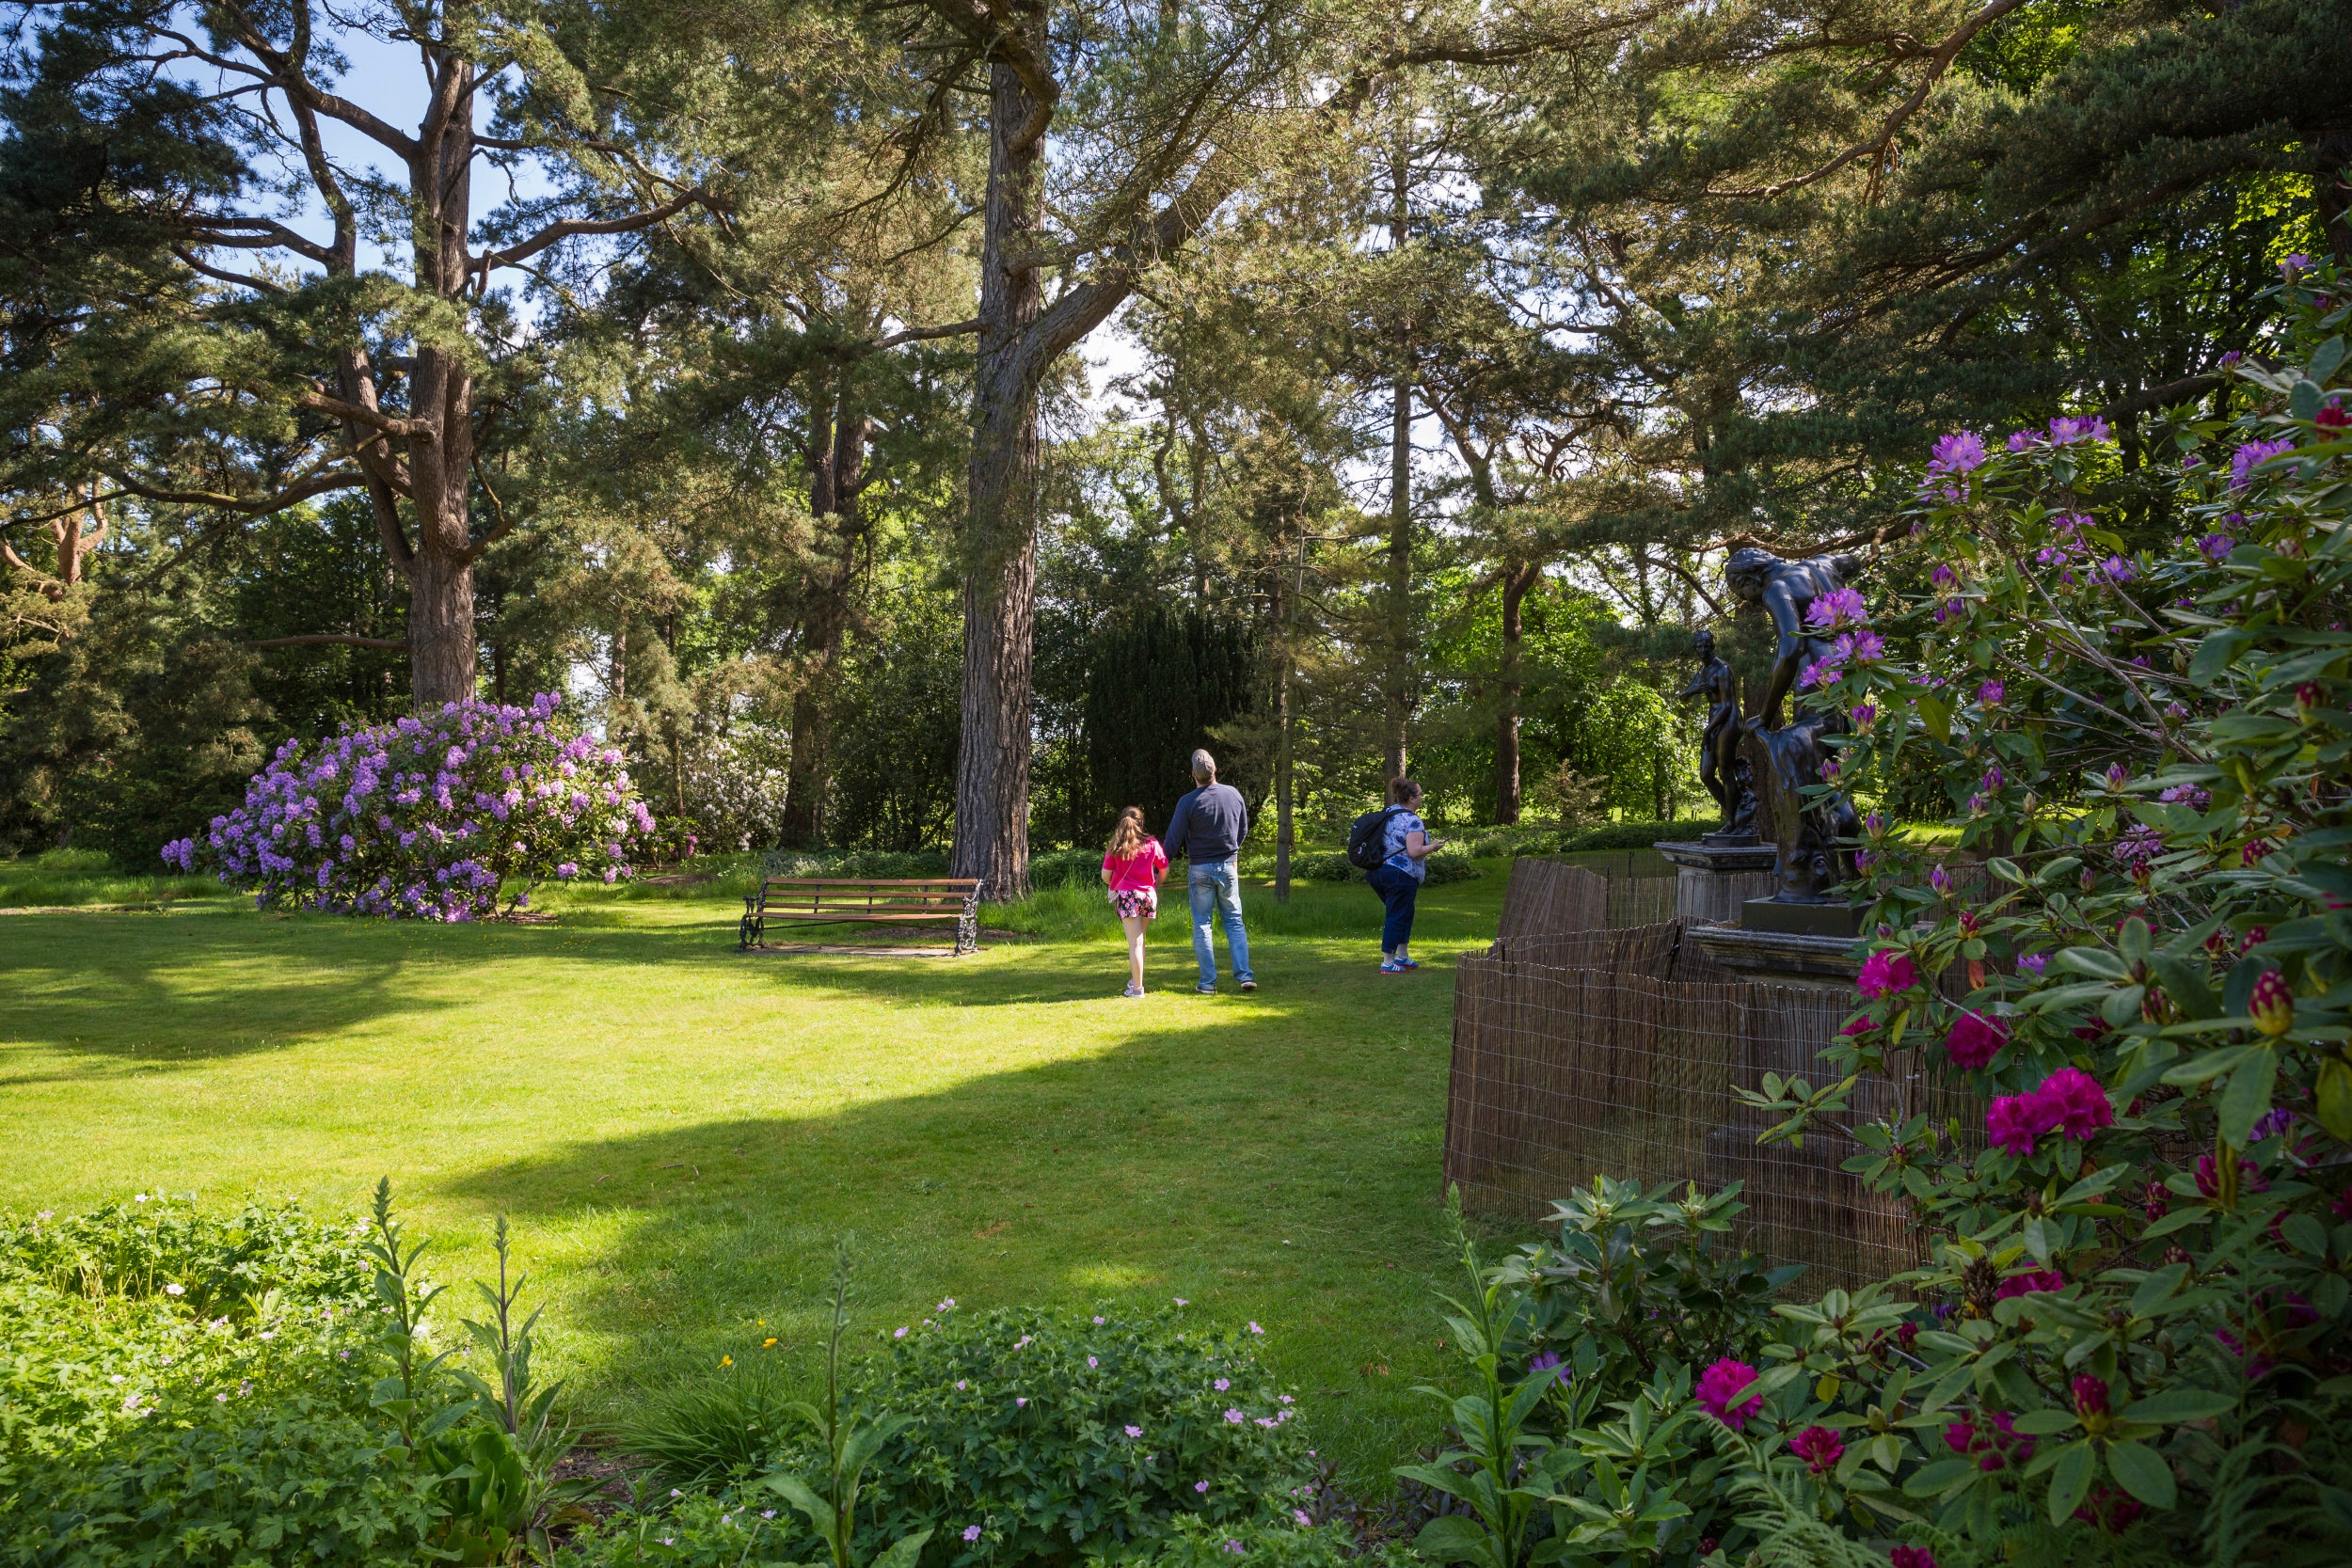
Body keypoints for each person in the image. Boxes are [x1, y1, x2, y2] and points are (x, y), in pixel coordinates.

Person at [1163, 749, 1255, 994]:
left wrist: (1158, 865)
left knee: (1203, 924)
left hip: (1200, 868)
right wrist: (1233, 852)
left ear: (1193, 774)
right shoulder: (1233, 794)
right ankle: (1245, 976)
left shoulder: (1188, 802)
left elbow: (1173, 838)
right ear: (1216, 770)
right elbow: (1243, 830)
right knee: (1234, 921)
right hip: (1228, 865)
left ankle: (1207, 983)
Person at [1368, 777, 1443, 973]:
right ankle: (1388, 962)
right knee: (1397, 914)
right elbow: (1415, 851)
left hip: (1378, 871)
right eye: (1420, 795)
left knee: (1404, 912)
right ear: (1411, 798)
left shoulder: (1388, 813)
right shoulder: (1413, 821)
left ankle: (1402, 956)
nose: (1422, 798)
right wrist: (1433, 847)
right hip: (1400, 875)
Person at [1098, 806, 1169, 998]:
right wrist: (1155, 885)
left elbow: (1105, 875)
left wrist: (1115, 884)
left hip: (1127, 896)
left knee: (1135, 943)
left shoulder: (1117, 846)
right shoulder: (1152, 843)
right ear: (1141, 823)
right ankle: (1136, 981)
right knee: (1140, 940)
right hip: (1148, 895)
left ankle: (1137, 989)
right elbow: (1164, 869)